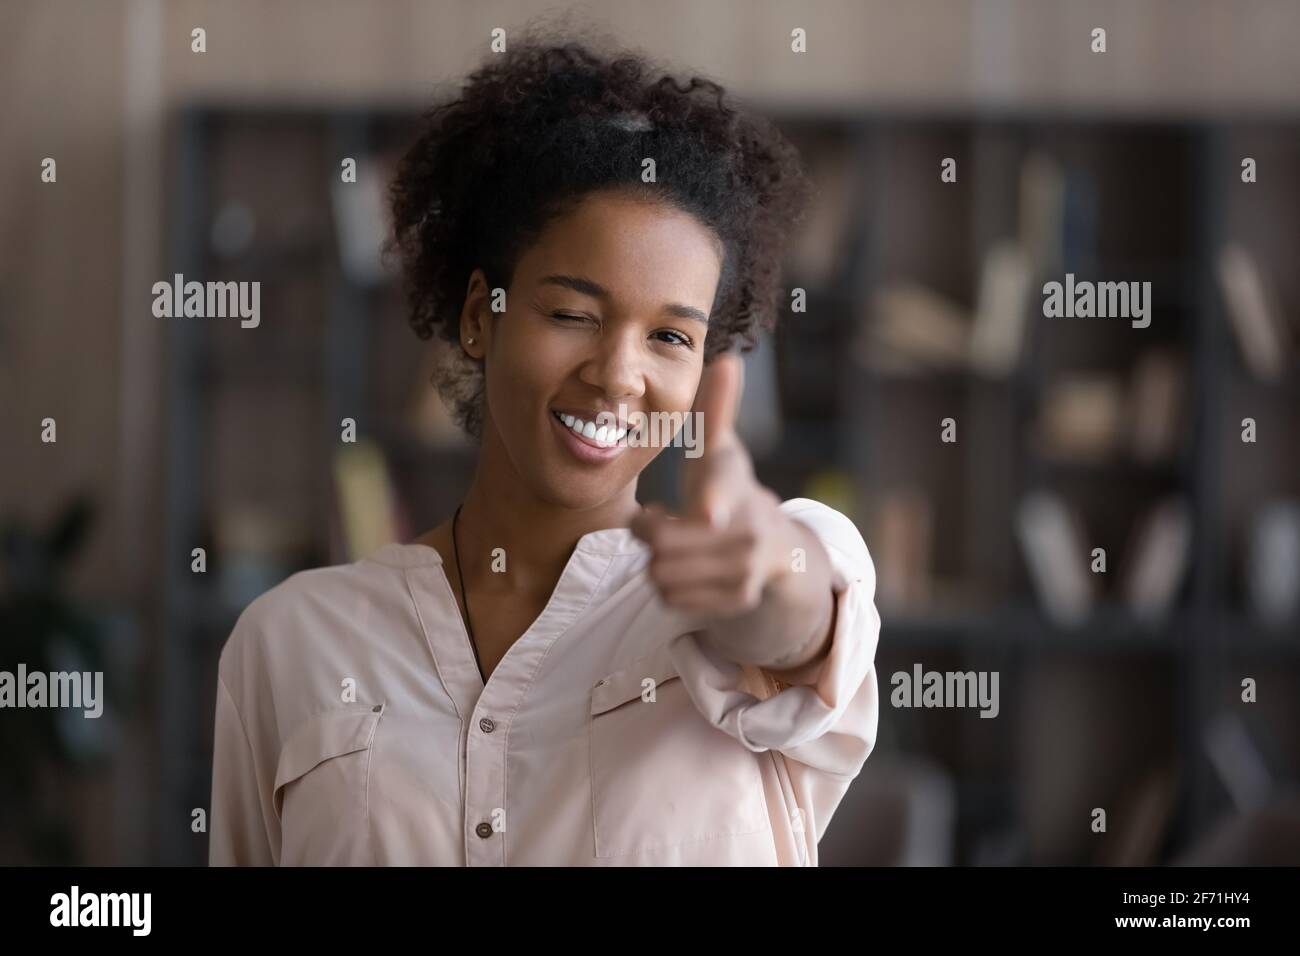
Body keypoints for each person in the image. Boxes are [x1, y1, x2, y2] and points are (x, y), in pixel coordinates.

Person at [209, 31, 880, 866]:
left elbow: (796, 616)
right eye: (572, 314)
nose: (618, 375)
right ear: (478, 317)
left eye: (671, 337)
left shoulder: (735, 604)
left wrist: (765, 567)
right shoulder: (290, 642)